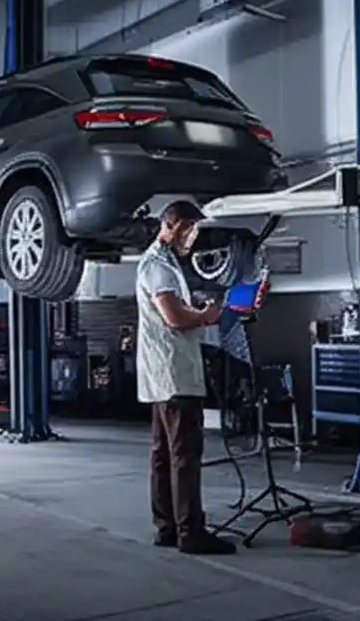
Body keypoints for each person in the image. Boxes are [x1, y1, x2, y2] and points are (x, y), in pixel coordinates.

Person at [137, 200, 236, 555]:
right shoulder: (159, 268)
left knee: (164, 454)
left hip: (164, 376)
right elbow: (175, 318)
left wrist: (198, 309)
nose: (194, 237)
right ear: (175, 225)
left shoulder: (160, 265)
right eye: (191, 229)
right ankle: (190, 533)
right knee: (185, 456)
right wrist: (207, 316)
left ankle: (167, 528)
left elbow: (175, 312)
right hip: (175, 375)